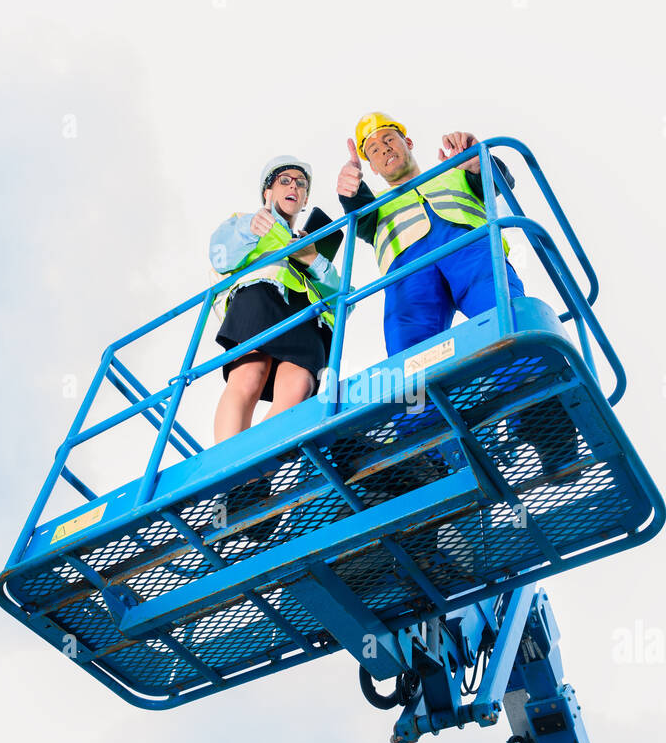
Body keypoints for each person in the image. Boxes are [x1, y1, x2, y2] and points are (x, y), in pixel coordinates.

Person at [336, 113, 580, 482]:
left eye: (389, 139)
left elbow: (499, 182)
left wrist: (477, 159)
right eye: (373, 149)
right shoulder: (373, 207)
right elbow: (358, 212)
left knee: (500, 316)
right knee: (409, 359)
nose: (384, 148)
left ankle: (543, 421)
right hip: (408, 271)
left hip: (468, 246)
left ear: (409, 143)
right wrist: (349, 191)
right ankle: (426, 457)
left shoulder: (453, 172)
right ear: (369, 165)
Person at [209, 155, 342, 444]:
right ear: (267, 192)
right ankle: (230, 472)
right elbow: (219, 254)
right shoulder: (246, 224)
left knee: (299, 389)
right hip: (261, 299)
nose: (293, 186)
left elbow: (345, 301)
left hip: (306, 318)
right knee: (249, 376)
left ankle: (255, 476)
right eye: (284, 180)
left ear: (305, 198)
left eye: (301, 183)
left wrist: (314, 259)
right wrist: (250, 228)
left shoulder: (312, 244)